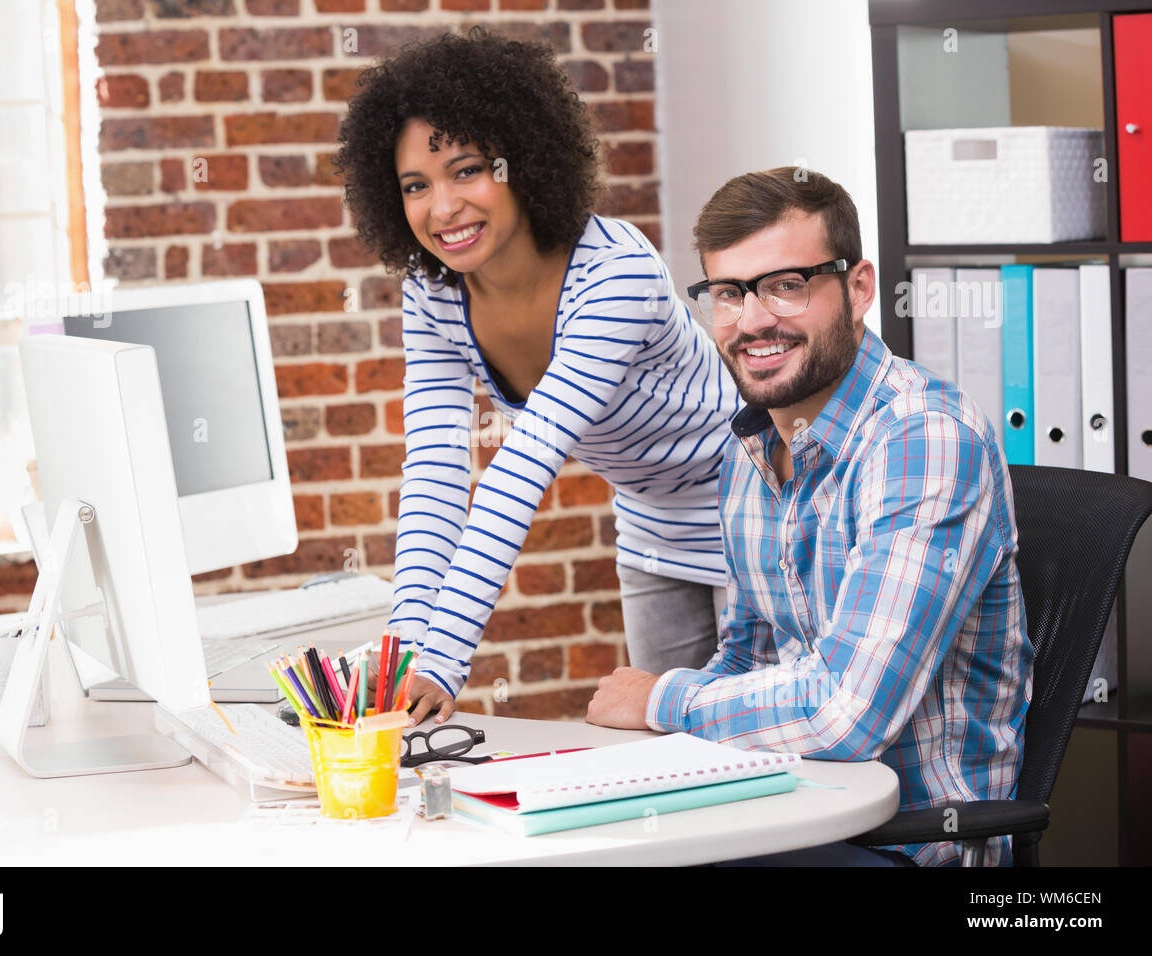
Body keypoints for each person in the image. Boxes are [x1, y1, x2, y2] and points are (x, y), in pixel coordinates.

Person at [586, 167, 1034, 866]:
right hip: (789, 812)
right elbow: (747, 658)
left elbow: (846, 715)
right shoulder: (751, 450)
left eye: (786, 285)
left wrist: (662, 698)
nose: (754, 319)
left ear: (858, 289)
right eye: (728, 293)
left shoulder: (922, 438)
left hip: (906, 845)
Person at [332, 28, 740, 725]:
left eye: (466, 171)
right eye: (415, 186)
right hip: (649, 523)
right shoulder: (432, 292)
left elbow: (525, 463)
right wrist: (405, 655)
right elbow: (434, 470)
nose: (442, 208)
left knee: (746, 746)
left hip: (751, 511)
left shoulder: (615, 274)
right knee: (672, 756)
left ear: (521, 161)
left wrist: (445, 658)